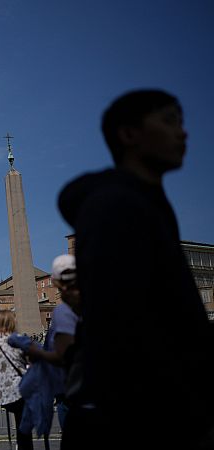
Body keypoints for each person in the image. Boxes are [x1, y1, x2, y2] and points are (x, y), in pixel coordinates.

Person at [57, 89, 213, 449]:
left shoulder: (144, 204)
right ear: (129, 135)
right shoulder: (116, 208)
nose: (184, 133)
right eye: (169, 120)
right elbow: (124, 318)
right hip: (144, 418)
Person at [9, 254, 80, 429]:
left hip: (71, 393)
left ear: (55, 282)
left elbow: (63, 355)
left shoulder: (64, 311)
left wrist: (35, 351)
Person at [0, 310, 32, 450]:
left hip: (0, 393)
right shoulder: (17, 339)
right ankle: (23, 445)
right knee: (24, 423)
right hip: (19, 391)